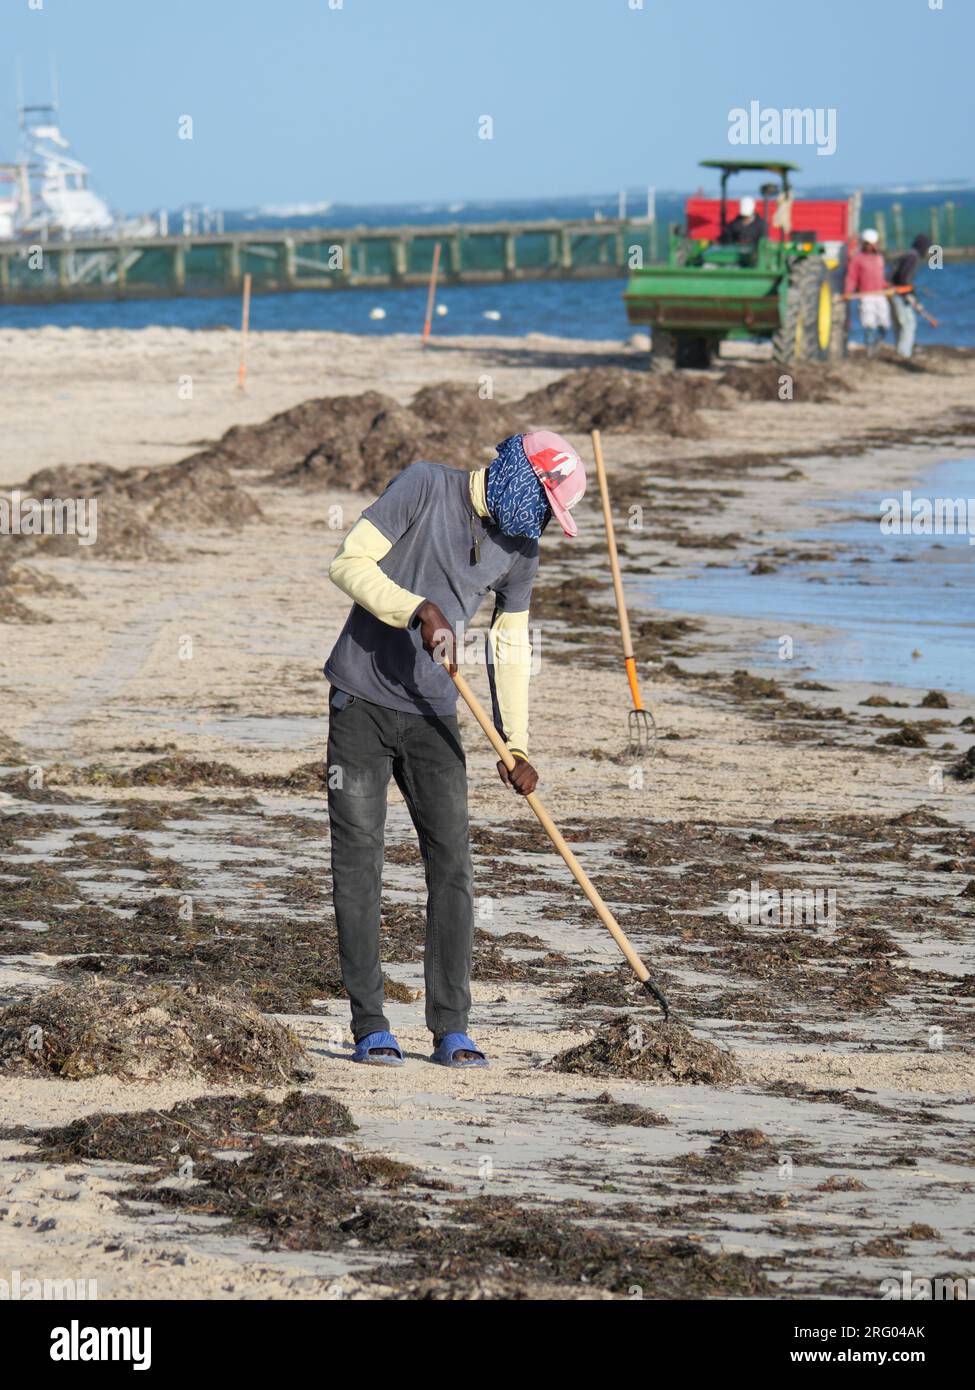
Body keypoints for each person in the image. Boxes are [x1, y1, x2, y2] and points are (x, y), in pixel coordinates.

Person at [323, 431, 586, 1068]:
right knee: (361, 864)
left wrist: (516, 742)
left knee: (454, 868)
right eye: (546, 504)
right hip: (360, 700)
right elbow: (348, 563)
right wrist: (419, 609)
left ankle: (451, 1026)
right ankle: (370, 1025)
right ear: (521, 475)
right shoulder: (424, 485)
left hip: (438, 715)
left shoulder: (522, 549)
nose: (545, 521)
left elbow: (511, 644)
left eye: (553, 515)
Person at [845, 228, 889, 357]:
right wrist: (848, 291)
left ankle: (877, 343)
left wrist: (888, 286)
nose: (873, 246)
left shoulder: (879, 258)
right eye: (870, 244)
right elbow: (852, 277)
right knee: (869, 324)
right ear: (865, 244)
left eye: (875, 244)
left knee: (884, 324)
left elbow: (881, 278)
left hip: (880, 295)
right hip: (866, 296)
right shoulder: (858, 259)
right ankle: (870, 351)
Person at [887, 233, 931, 359]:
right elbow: (904, 279)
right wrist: (911, 296)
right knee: (908, 324)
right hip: (900, 294)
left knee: (899, 324)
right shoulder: (912, 258)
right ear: (922, 247)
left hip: (892, 292)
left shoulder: (906, 256)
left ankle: (901, 351)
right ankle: (904, 353)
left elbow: (893, 276)